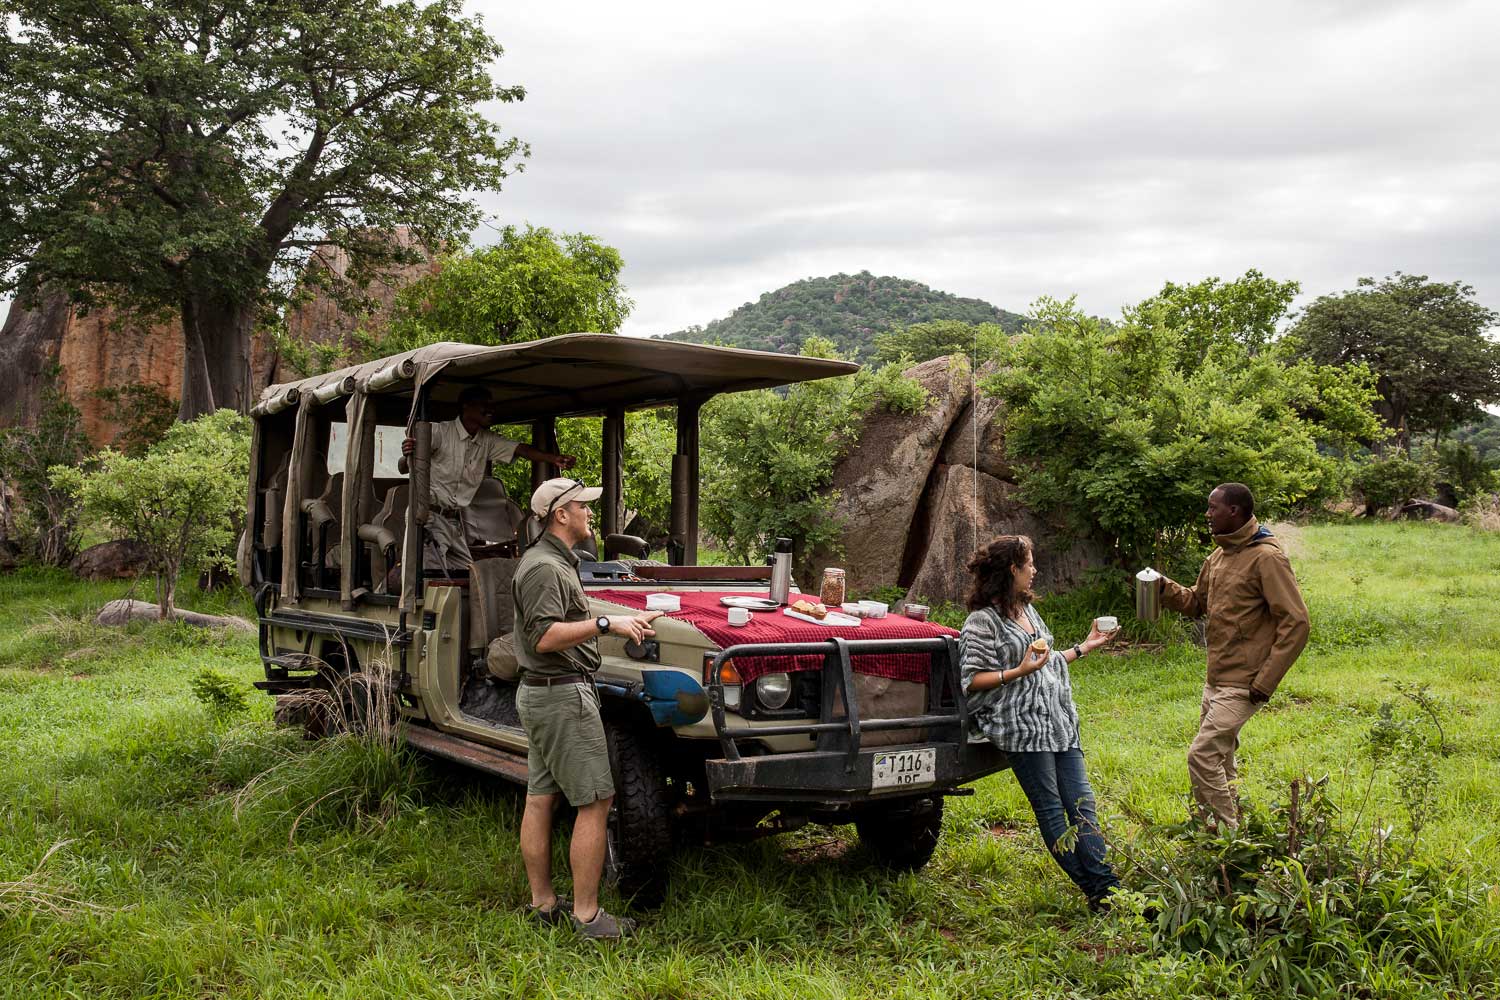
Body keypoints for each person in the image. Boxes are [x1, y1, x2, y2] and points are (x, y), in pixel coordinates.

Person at [511, 477, 661, 940]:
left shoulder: (553, 563)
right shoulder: (544, 569)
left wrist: (621, 619)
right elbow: (544, 636)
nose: (590, 514)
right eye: (583, 506)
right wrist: (605, 623)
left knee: (541, 797)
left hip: (544, 692)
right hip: (560, 696)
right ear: (561, 514)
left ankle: (544, 905)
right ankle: (588, 917)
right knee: (596, 801)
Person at [959, 535, 1122, 912]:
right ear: (1012, 570)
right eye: (1029, 564)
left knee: (1083, 807)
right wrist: (1017, 671)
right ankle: (1101, 892)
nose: (1035, 570)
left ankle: (1107, 891)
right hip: (1022, 729)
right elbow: (972, 679)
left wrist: (1085, 646)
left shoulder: (1028, 612)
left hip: (1060, 723)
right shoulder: (982, 622)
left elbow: (1045, 661)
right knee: (1052, 812)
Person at [1156, 483, 1310, 829]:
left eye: (1213, 508)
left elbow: (1297, 623)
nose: (1208, 515)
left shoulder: (1268, 557)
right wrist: (1163, 588)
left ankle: (1227, 835)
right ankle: (1225, 835)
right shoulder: (1219, 556)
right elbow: (1198, 604)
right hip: (1216, 678)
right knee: (1221, 760)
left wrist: (1265, 682)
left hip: (1245, 682)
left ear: (1234, 512)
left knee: (1202, 755)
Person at [401, 385, 577, 572]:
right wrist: (409, 454)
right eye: (484, 405)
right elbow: (405, 466)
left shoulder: (487, 441)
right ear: (466, 406)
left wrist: (553, 459)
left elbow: (521, 449)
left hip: (454, 522)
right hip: (429, 517)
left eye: (491, 405)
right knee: (428, 574)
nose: (490, 410)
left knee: (470, 574)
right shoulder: (439, 432)